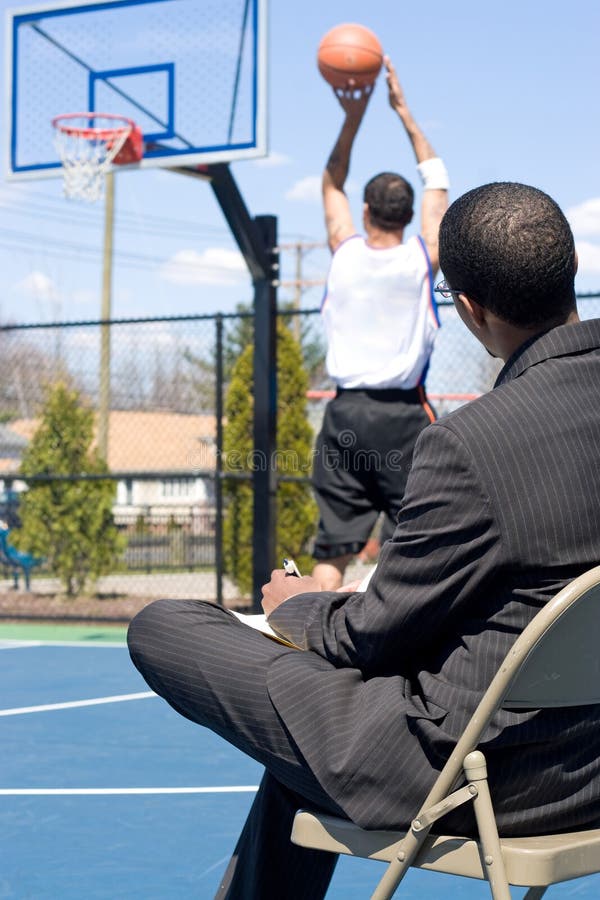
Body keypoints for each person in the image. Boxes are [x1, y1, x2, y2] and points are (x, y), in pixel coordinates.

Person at [128, 182, 600, 899]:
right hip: (590, 769)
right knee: (302, 748)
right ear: (568, 273)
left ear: (470, 308)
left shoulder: (471, 446)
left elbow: (370, 641)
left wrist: (294, 607)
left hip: (473, 777)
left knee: (164, 625)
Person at [312, 56, 449, 590]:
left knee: (333, 547)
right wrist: (404, 113)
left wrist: (354, 114)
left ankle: (309, 646)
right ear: (408, 214)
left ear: (366, 211)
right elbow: (437, 177)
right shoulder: (425, 254)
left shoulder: (342, 251)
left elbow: (330, 181)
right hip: (401, 417)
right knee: (411, 544)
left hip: (344, 414)